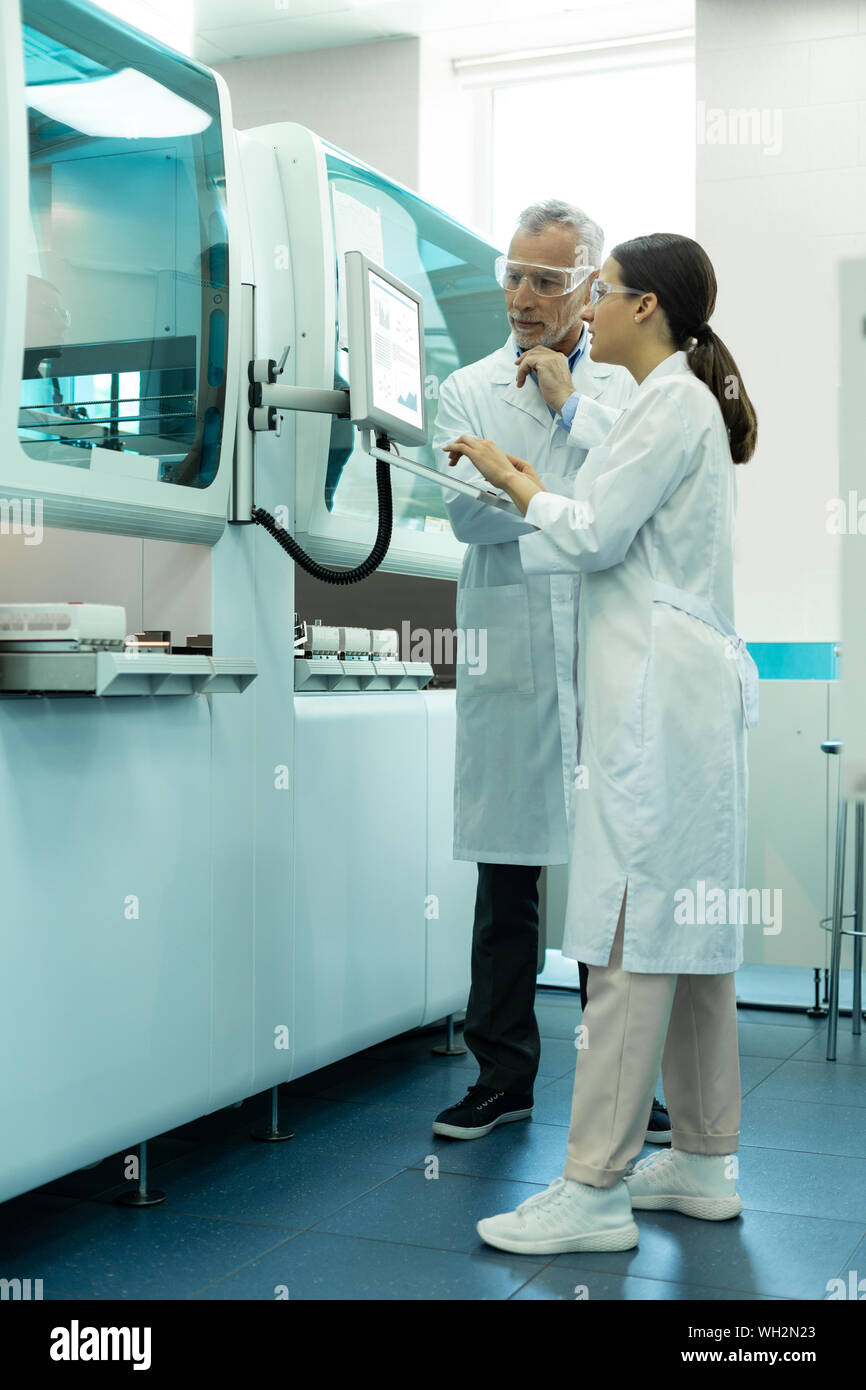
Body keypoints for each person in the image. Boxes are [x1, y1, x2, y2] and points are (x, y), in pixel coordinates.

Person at [442, 231, 758, 1254]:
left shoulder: (667, 400)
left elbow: (591, 531)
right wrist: (549, 455)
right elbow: (613, 493)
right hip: (687, 703)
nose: (586, 307)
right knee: (692, 940)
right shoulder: (677, 403)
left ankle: (593, 1188)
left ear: (643, 308)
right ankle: (703, 1158)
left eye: (601, 291)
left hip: (651, 708)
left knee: (625, 937)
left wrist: (509, 473)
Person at [431, 202, 673, 1146]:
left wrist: (538, 460)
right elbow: (468, 519)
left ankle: (623, 1087)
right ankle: (503, 1078)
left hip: (604, 655)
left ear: (587, 285)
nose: (524, 298)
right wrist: (555, 501)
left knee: (611, 890)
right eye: (514, 276)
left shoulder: (627, 384)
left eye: (547, 281)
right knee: (507, 881)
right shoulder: (468, 388)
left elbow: (630, 502)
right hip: (512, 658)